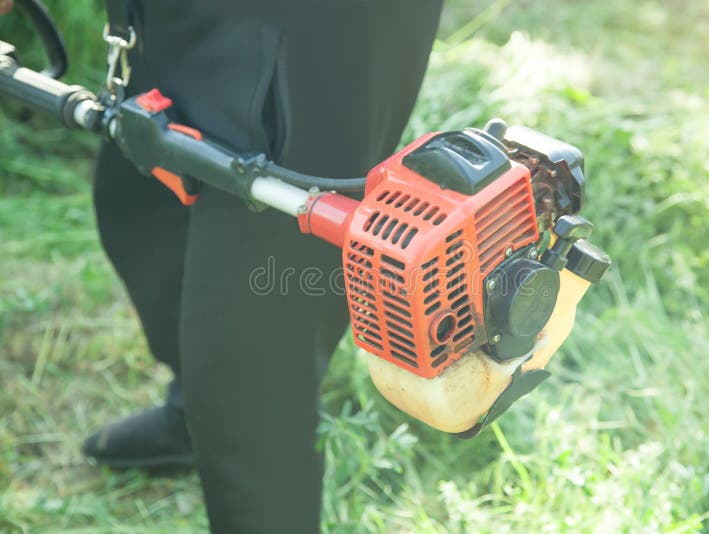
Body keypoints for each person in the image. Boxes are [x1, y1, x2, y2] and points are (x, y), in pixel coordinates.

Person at [20, 0, 443, 531]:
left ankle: (252, 463)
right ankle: (197, 410)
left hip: (316, 25)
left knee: (255, 340)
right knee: (139, 208)